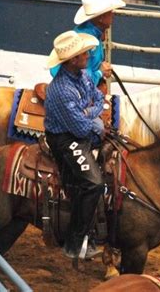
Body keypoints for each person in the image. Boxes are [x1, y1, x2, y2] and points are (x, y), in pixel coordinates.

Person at [45, 30, 106, 259]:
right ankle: (74, 242)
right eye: (84, 53)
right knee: (93, 184)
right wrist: (93, 116)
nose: (90, 55)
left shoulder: (83, 76)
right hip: (65, 139)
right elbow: (81, 129)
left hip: (76, 131)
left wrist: (87, 112)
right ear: (73, 59)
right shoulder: (61, 89)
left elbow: (98, 97)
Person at [51, 0, 126, 89]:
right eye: (109, 11)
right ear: (101, 18)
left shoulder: (92, 32)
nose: (113, 14)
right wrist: (100, 72)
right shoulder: (86, 42)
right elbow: (84, 83)